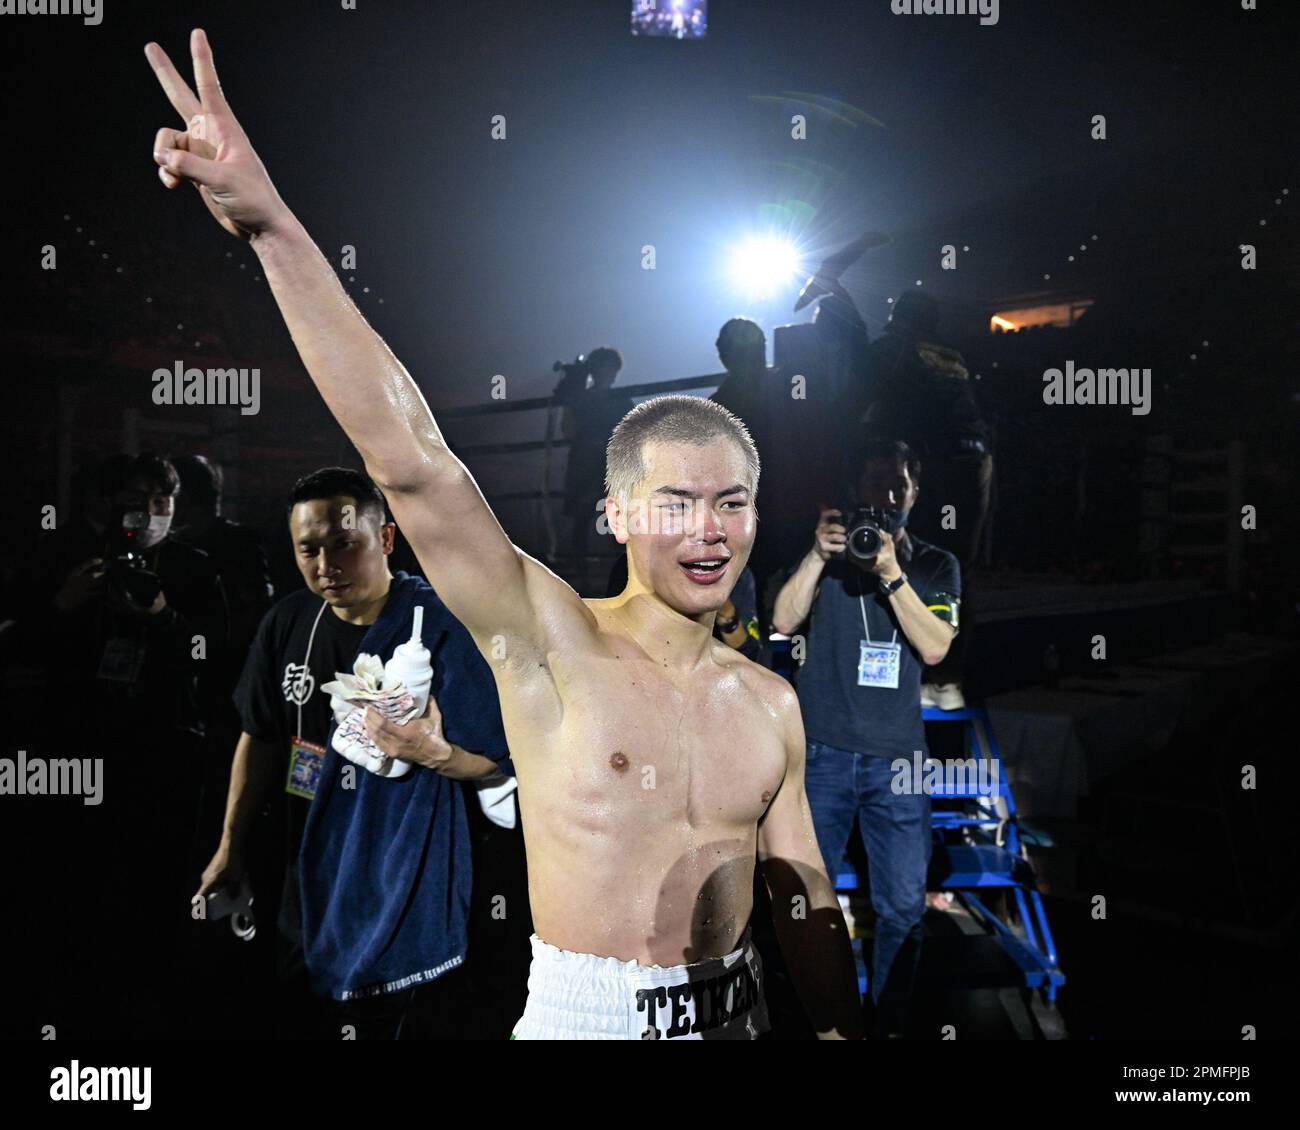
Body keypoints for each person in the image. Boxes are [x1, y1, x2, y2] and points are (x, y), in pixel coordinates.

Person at [147, 29, 862, 1040]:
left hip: (739, 1015)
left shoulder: (772, 702)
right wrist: (273, 229)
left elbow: (801, 892)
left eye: (732, 500)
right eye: (674, 501)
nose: (709, 529)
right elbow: (414, 461)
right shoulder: (553, 643)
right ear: (613, 512)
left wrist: (840, 1028)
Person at [195, 467, 513, 1038]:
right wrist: (230, 847)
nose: (326, 565)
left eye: (345, 544)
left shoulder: (439, 628)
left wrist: (437, 754)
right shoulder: (289, 621)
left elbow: (498, 761)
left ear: (386, 539)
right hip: (306, 861)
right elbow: (261, 736)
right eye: (309, 549)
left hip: (399, 873)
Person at [25, 451, 227, 1035]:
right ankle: (75, 1003)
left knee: (159, 882)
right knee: (76, 882)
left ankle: (154, 1004)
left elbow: (216, 655)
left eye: (163, 503)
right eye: (139, 503)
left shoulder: (193, 566)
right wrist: (63, 605)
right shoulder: (74, 560)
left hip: (166, 749)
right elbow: (25, 643)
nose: (152, 514)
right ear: (114, 505)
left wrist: (163, 615)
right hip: (81, 748)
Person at [771, 439, 960, 1038]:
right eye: (876, 483)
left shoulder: (934, 564)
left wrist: (892, 575)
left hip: (897, 763)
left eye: (899, 485)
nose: (888, 496)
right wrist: (814, 557)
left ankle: (889, 1025)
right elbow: (780, 621)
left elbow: (934, 647)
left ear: (915, 493)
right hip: (822, 752)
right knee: (809, 902)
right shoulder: (827, 555)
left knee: (904, 906)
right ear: (856, 492)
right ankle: (823, 1021)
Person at [861, 292, 991, 708]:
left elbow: (857, 395)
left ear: (897, 317)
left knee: (912, 560)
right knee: (957, 570)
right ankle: (948, 680)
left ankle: (907, 673)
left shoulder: (893, 349)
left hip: (934, 464)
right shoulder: (951, 355)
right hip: (977, 462)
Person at [557, 347, 632, 565]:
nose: (609, 374)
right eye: (606, 369)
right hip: (593, 464)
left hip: (598, 465)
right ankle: (591, 577)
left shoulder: (615, 400)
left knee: (605, 523)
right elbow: (568, 429)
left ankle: (592, 577)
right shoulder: (610, 399)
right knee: (588, 521)